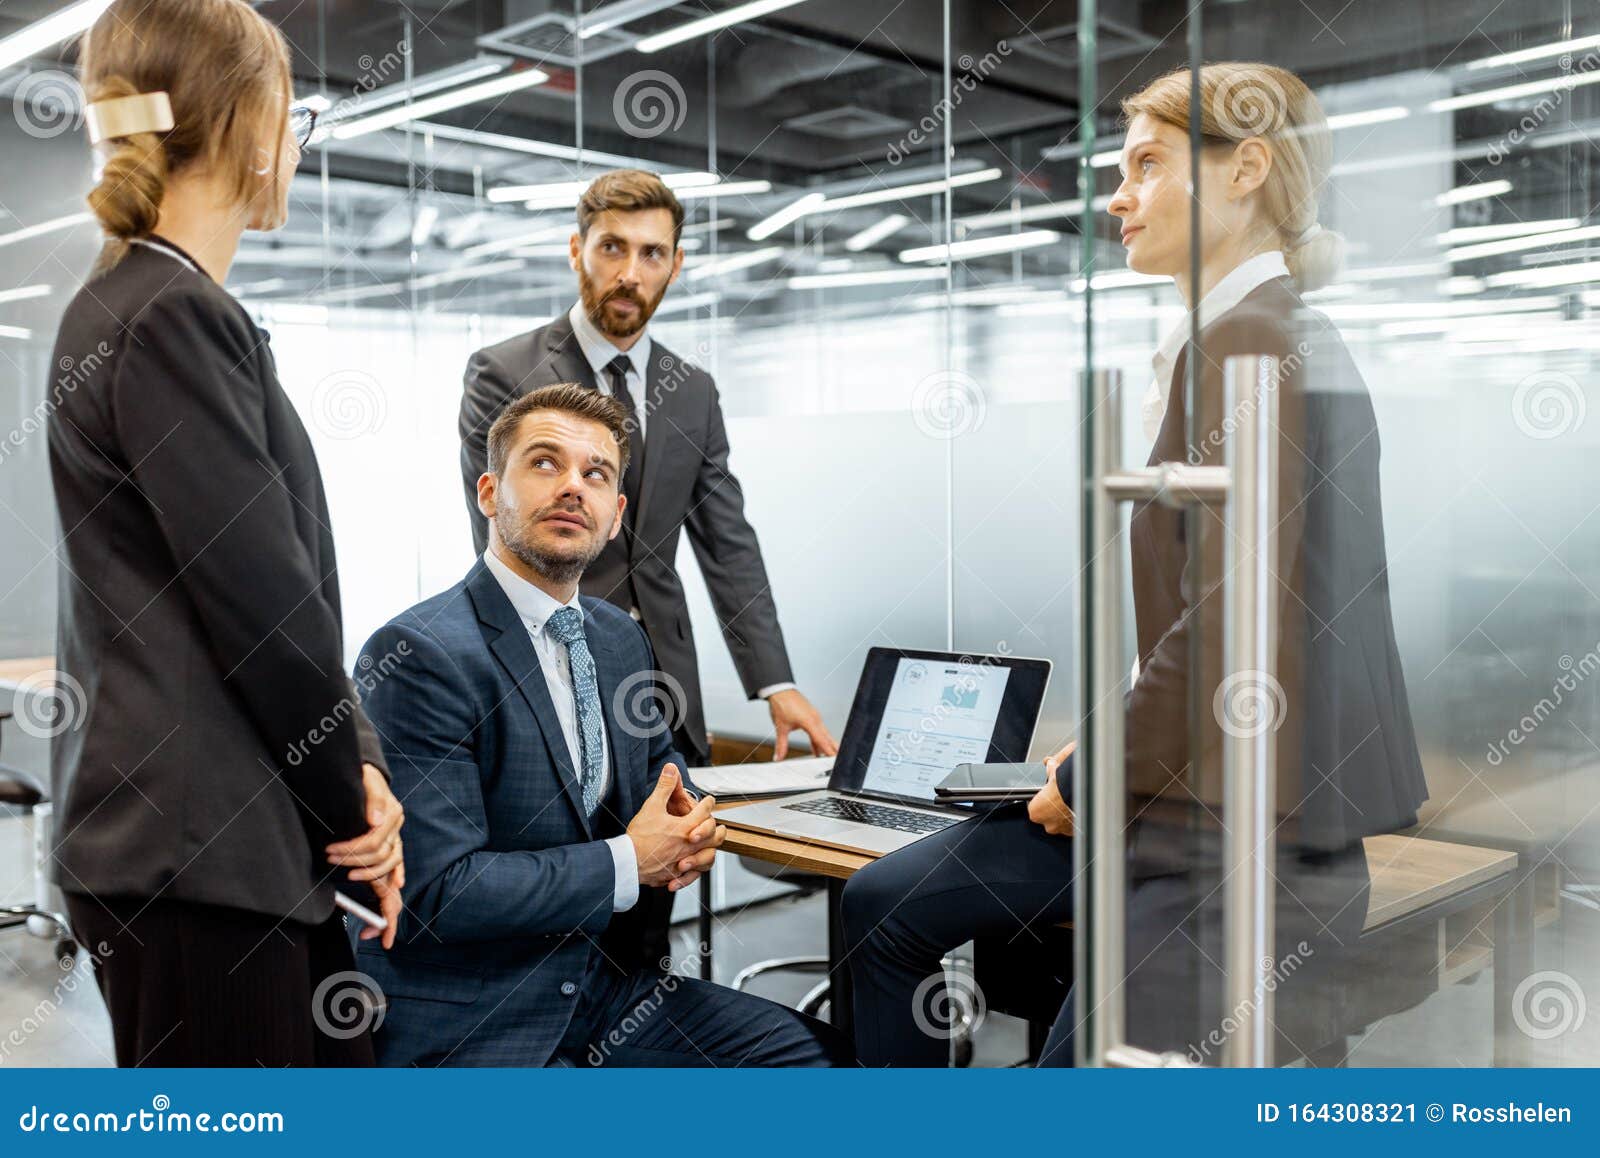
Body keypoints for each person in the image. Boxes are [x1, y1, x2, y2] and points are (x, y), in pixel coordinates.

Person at [840, 62, 1429, 1066]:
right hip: (1180, 791)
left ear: (1244, 169)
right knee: (878, 905)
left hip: (1251, 832)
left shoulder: (1260, 347)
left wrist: (1093, 773)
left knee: (1081, 1074)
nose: (1115, 197)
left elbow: (1230, 629)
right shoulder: (1218, 343)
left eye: (1146, 165)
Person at [45, 0, 405, 1067]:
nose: (292, 145)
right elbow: (267, 614)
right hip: (202, 860)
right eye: (290, 117)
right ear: (250, 125)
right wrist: (355, 812)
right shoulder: (168, 314)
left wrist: (362, 769)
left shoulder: (149, 304)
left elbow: (277, 602)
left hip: (209, 854)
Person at [356, 383, 851, 1067]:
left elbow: (659, 777)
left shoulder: (618, 639)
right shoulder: (421, 654)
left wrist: (689, 828)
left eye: (596, 474)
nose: (572, 487)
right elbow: (435, 895)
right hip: (479, 1014)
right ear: (488, 492)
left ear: (616, 516)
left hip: (607, 993)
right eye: (544, 463)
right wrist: (629, 860)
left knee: (819, 1062)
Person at [457, 170, 834, 772]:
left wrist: (775, 681)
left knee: (681, 851)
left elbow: (727, 542)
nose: (630, 273)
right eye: (613, 247)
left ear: (676, 264)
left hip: (666, 684)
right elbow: (504, 536)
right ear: (578, 250)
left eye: (652, 253)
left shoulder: (693, 392)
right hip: (549, 667)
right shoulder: (504, 373)